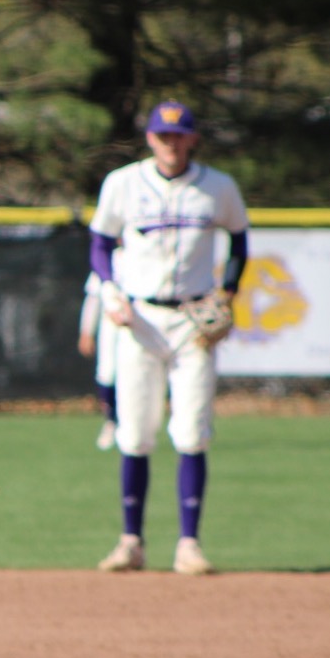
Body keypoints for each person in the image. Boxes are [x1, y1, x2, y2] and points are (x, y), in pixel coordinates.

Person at [88, 100, 249, 576]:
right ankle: (131, 542)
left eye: (178, 135)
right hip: (139, 320)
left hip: (193, 324)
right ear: (150, 139)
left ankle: (188, 545)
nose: (170, 143)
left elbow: (240, 241)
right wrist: (111, 291)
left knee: (192, 431)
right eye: (162, 135)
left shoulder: (218, 187)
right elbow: (99, 243)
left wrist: (230, 292)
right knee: (134, 434)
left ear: (193, 139)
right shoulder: (123, 183)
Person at [79, 266, 120, 450]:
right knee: (107, 375)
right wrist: (86, 332)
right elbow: (93, 299)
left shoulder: (146, 255)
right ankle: (111, 421)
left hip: (142, 330)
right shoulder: (106, 263)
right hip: (111, 329)